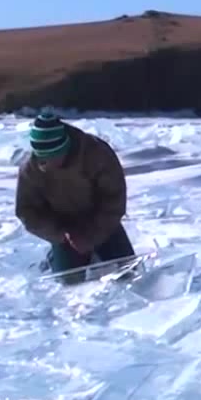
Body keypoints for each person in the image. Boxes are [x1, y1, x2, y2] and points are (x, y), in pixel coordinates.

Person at [15, 112, 136, 284]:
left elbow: (113, 200)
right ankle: (54, 261)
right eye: (42, 159)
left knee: (129, 273)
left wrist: (91, 236)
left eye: (51, 157)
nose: (46, 164)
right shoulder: (31, 168)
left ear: (64, 148)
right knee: (69, 283)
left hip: (101, 223)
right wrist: (61, 234)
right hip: (63, 229)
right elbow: (27, 211)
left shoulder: (96, 153)